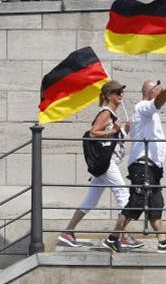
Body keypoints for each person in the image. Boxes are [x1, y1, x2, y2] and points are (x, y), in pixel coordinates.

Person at [105, 77, 166, 253]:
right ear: (151, 93)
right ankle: (113, 237)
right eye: (160, 89)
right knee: (137, 201)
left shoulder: (145, 114)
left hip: (152, 167)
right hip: (144, 165)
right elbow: (158, 102)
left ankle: (163, 242)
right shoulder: (144, 106)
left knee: (156, 203)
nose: (163, 91)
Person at [57, 80, 136, 248]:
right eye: (116, 92)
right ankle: (121, 236)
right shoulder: (106, 112)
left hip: (107, 163)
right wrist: (114, 131)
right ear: (108, 95)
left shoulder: (112, 114)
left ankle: (68, 232)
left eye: (121, 91)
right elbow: (93, 133)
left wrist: (124, 130)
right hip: (107, 163)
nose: (120, 94)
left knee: (90, 200)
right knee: (124, 196)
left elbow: (113, 137)